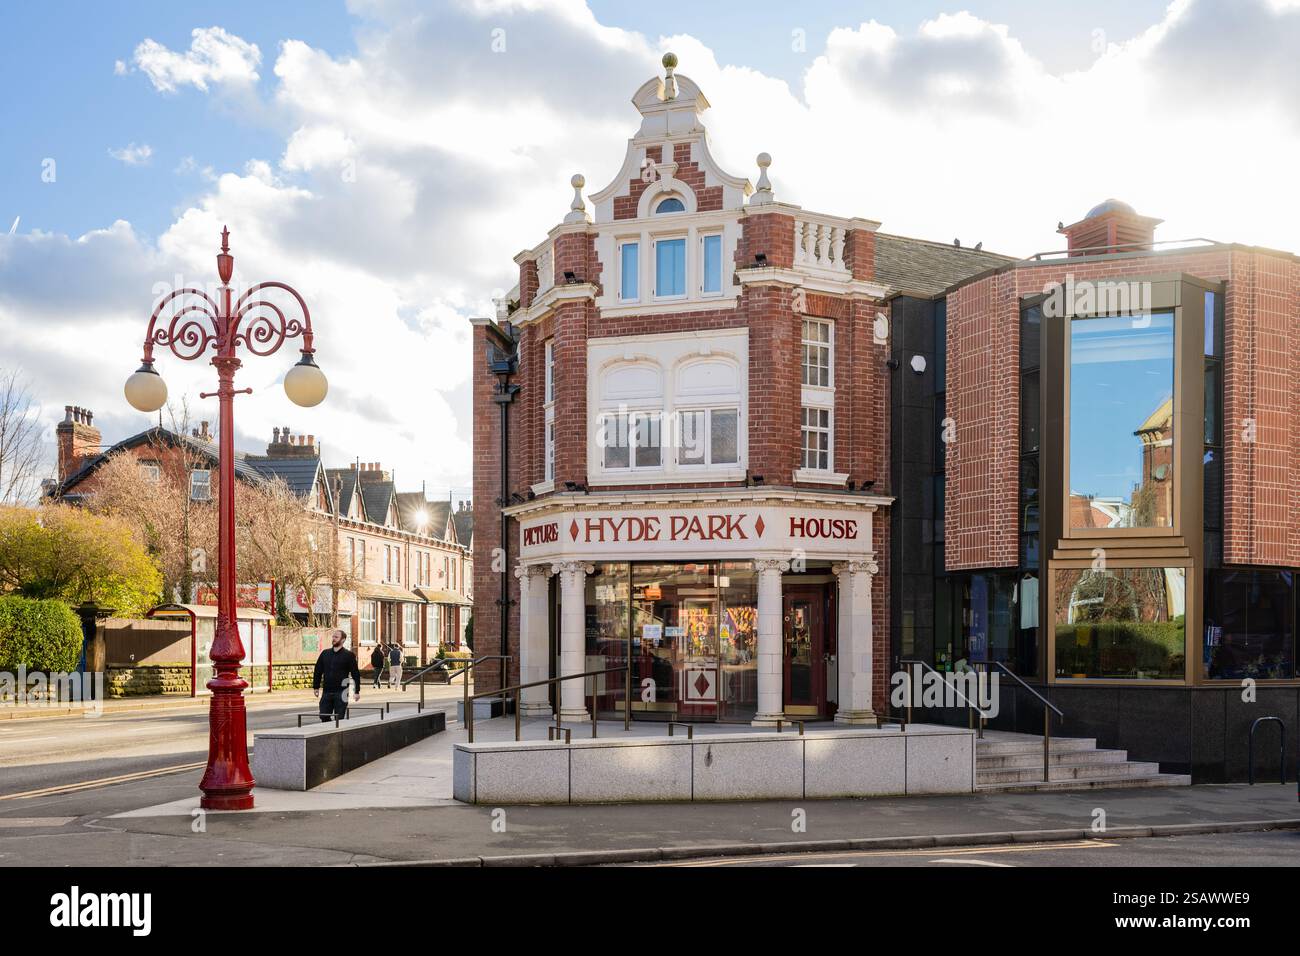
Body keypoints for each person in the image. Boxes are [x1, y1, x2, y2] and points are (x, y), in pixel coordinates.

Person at [313, 629, 360, 723]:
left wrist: (357, 691)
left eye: (336, 637)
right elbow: (318, 670)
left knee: (339, 718)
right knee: (323, 715)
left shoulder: (349, 655)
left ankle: (337, 735)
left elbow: (355, 673)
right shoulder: (325, 654)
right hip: (327, 691)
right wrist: (316, 687)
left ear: (343, 640)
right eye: (333, 637)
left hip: (342, 692)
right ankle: (329, 731)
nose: (333, 639)